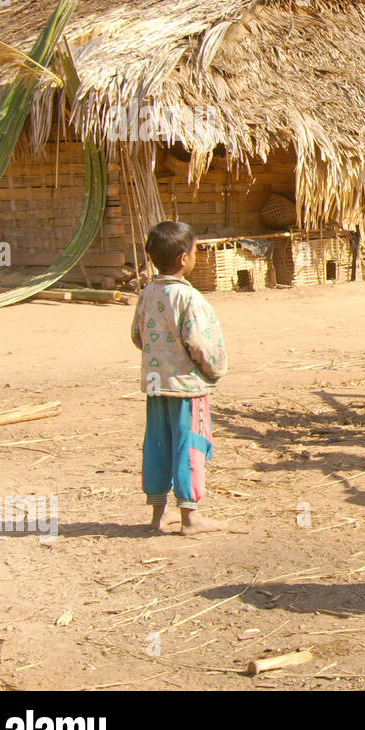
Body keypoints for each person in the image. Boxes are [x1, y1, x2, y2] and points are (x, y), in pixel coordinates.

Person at [130, 221, 230, 535]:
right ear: (183, 259)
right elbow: (201, 343)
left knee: (158, 444)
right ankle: (190, 517)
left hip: (157, 386)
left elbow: (137, 335)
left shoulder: (147, 294)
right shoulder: (190, 299)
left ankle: (158, 515)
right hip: (188, 388)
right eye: (195, 251)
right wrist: (214, 370)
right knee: (190, 445)